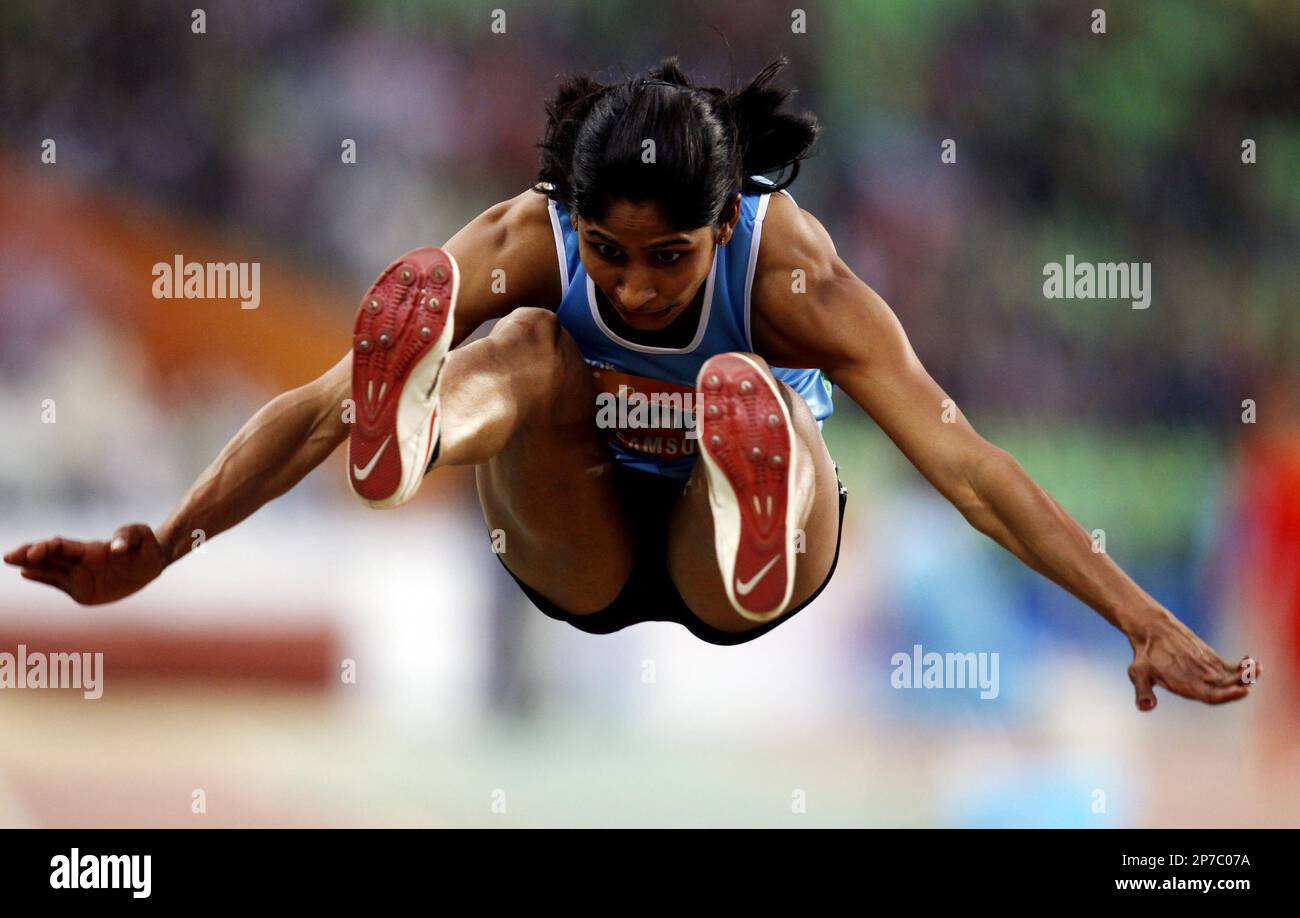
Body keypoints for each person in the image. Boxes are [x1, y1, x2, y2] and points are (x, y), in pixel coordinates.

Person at [4, 57, 1258, 710]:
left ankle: (754, 480)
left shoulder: (795, 281)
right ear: (572, 217)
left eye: (670, 258)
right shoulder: (517, 242)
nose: (639, 285)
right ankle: (426, 428)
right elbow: (313, 408)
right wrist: (163, 545)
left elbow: (969, 469)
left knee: (754, 401)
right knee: (524, 350)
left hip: (743, 570)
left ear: (728, 226)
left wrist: (1135, 615)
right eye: (606, 253)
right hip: (578, 544)